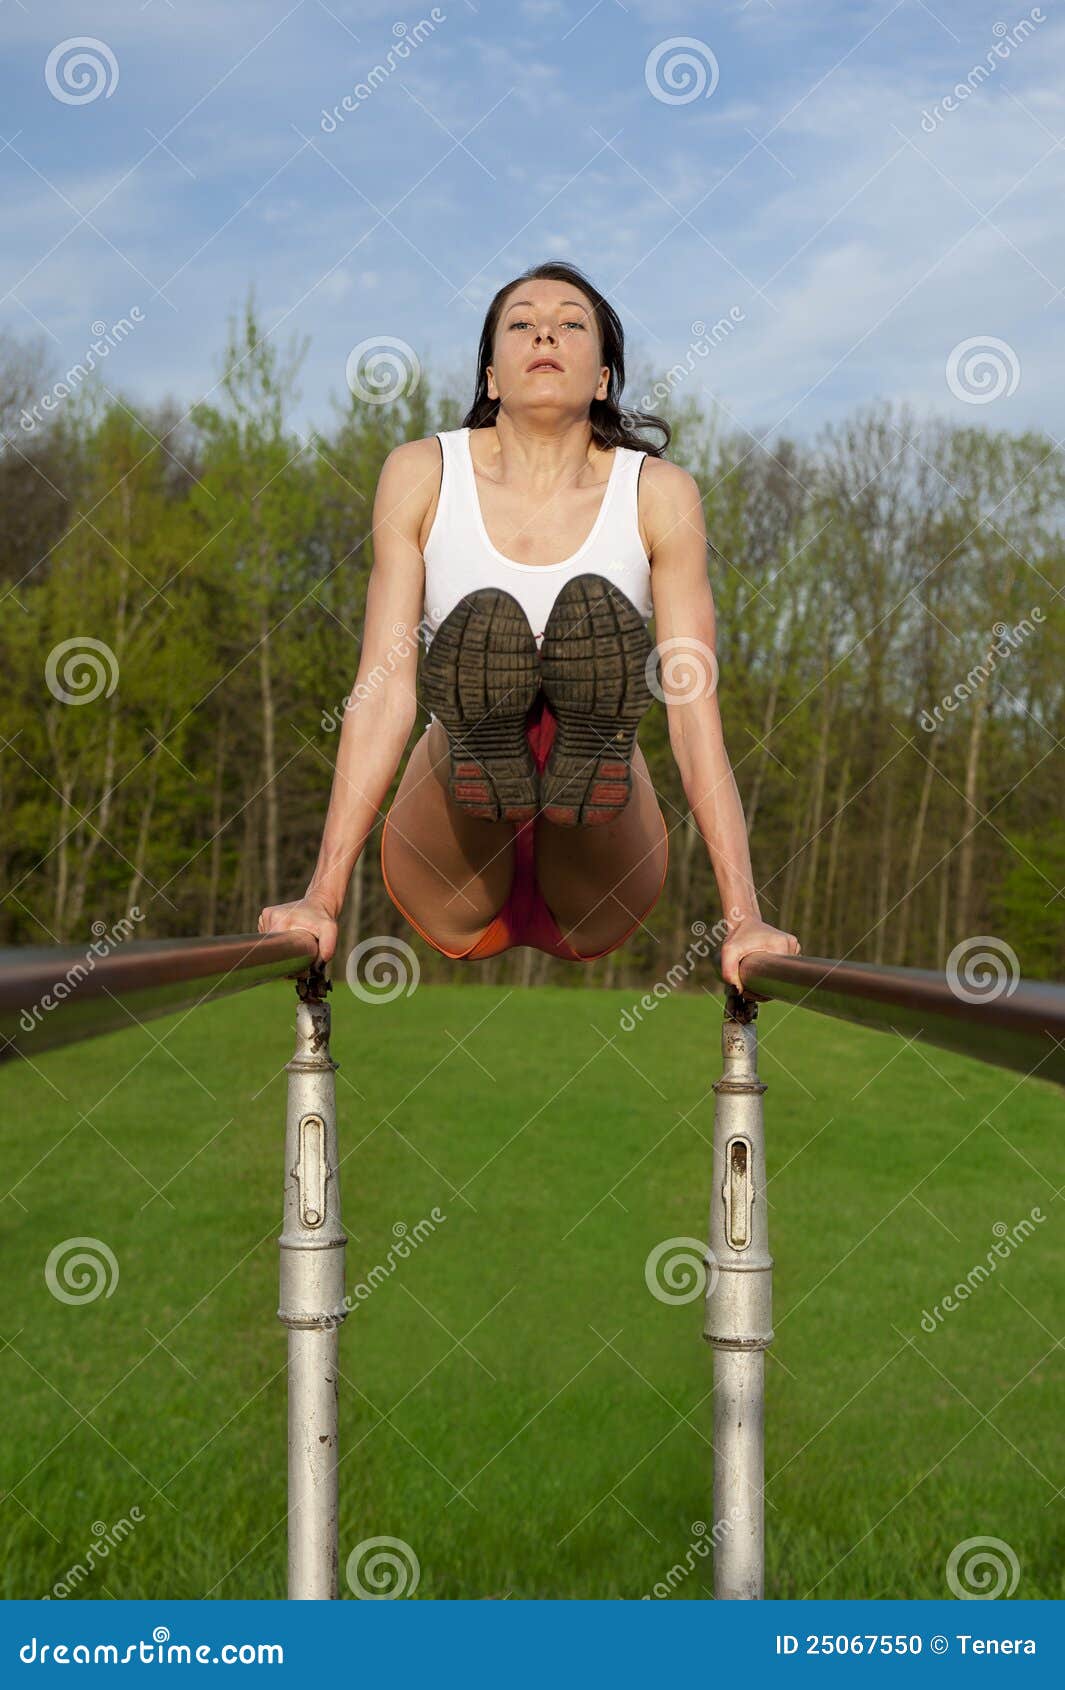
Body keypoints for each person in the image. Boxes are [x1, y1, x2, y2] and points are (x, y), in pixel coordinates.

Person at [258, 260, 800, 988]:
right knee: (473, 719)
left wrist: (745, 917)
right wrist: (318, 895)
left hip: (596, 870)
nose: (545, 330)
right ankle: (491, 736)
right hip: (454, 863)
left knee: (579, 740)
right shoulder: (421, 473)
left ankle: (575, 740)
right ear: (490, 376)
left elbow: (692, 706)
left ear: (604, 377)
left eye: (571, 323)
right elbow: (382, 690)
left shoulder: (656, 494)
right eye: (520, 322)